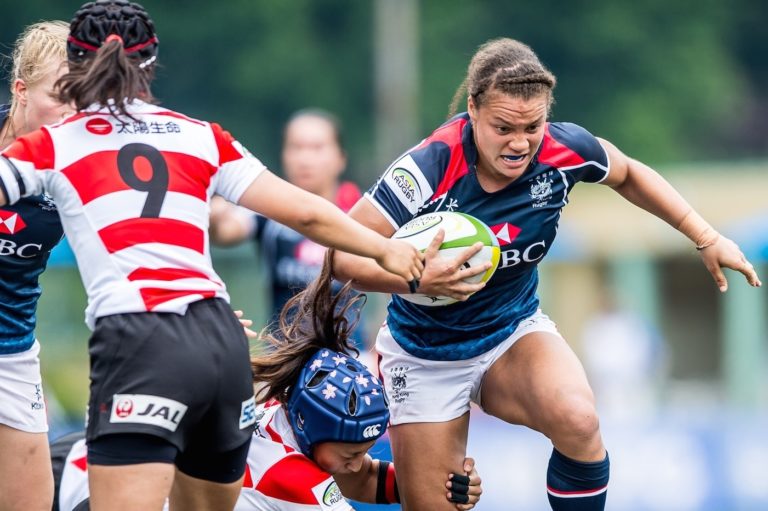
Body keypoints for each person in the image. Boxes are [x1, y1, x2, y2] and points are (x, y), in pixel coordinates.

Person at [0, 2, 423, 510]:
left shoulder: (55, 143)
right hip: (221, 345)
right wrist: (388, 250)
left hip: (140, 345)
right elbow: (308, 213)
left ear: (75, 70)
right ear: (151, 66)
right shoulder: (199, 133)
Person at [332, 37, 762, 510]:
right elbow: (341, 259)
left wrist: (704, 236)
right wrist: (416, 278)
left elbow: (629, 173)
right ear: (472, 109)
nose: (520, 143)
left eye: (532, 126)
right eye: (503, 127)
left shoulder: (564, 150)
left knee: (578, 419)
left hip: (510, 333)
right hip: (424, 356)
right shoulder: (426, 168)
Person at [50, 261, 481, 510]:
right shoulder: (299, 481)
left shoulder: (281, 407)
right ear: (312, 429)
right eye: (352, 454)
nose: (358, 463)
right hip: (82, 488)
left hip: (82, 461)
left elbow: (364, 477)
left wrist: (437, 482)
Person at [209, 109, 368, 347]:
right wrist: (212, 213)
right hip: (283, 359)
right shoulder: (267, 211)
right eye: (296, 147)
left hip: (349, 359)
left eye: (316, 148)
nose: (305, 158)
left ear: (341, 158)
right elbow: (225, 232)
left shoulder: (362, 214)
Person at [0, 20, 72, 511]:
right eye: (60, 95)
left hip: (12, 349)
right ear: (21, 90)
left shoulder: (82, 165)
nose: (72, 113)